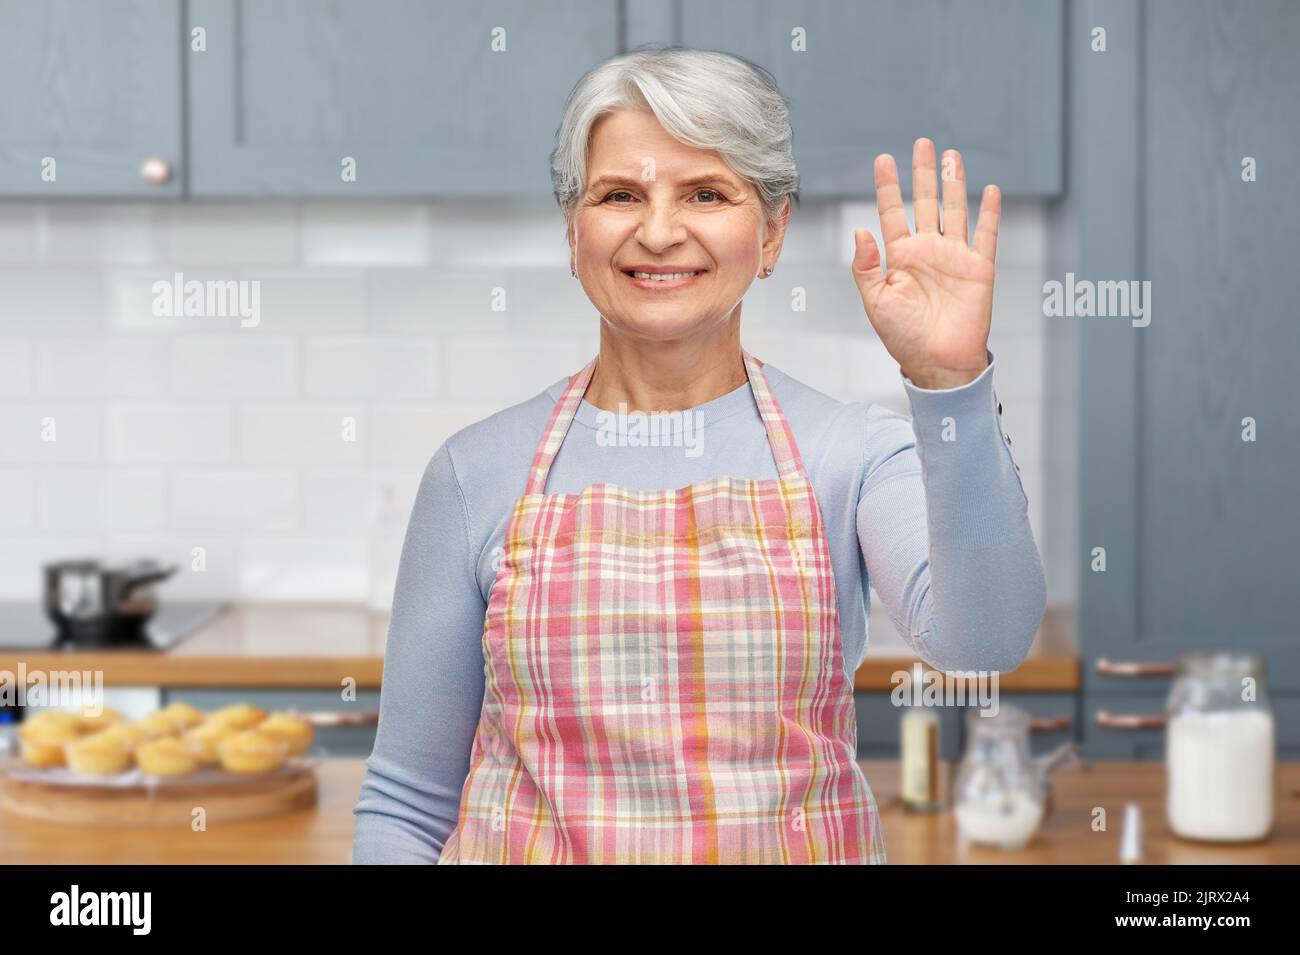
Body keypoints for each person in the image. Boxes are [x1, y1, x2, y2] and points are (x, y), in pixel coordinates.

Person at [352, 46, 1045, 864]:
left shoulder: (851, 454)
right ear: (574, 230)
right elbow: (406, 803)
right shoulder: (476, 473)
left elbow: (986, 638)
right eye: (620, 194)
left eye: (706, 193)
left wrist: (949, 380)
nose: (657, 230)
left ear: (773, 229)